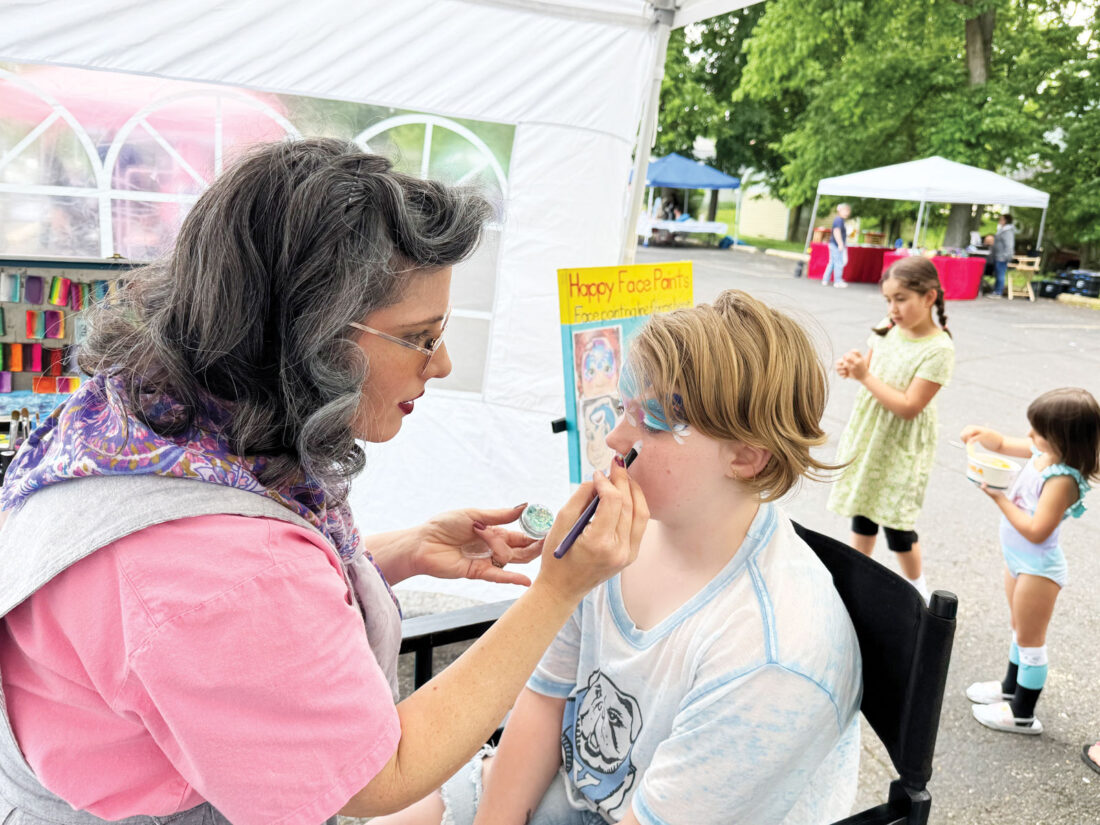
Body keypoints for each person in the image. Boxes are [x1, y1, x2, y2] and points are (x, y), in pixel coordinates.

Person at [0, 139, 648, 825]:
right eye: (422, 335)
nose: (444, 362)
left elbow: (213, 632)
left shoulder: (140, 418)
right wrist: (557, 591)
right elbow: (374, 775)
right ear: (311, 334)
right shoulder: (226, 573)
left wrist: (398, 552)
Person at [375, 290, 863, 825]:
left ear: (746, 456)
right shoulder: (620, 542)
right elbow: (545, 697)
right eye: (621, 408)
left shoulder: (771, 659)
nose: (615, 436)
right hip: (569, 790)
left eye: (651, 421)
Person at [960, 388, 1099, 734]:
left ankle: (1022, 713)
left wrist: (998, 497)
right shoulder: (1044, 452)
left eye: (1038, 431)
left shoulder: (1063, 478)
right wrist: (984, 436)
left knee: (1031, 641)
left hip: (1038, 568)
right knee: (1019, 628)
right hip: (1018, 560)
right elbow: (1006, 445)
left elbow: (1036, 530)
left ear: (1062, 438)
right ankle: (1010, 687)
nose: (1030, 436)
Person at [827, 257, 955, 602]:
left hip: (900, 446)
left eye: (901, 299)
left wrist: (864, 377)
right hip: (871, 436)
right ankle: (854, 585)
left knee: (898, 526)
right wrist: (853, 366)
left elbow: (910, 407)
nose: (892, 308)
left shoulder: (939, 349)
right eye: (888, 300)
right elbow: (870, 365)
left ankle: (919, 591)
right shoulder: (888, 326)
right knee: (863, 512)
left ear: (929, 297)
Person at [822, 203, 852, 288]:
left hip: (833, 244)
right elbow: (836, 231)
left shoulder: (839, 220)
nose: (847, 213)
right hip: (836, 244)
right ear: (840, 211)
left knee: (832, 262)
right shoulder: (839, 220)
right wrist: (840, 243)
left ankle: (825, 279)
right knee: (838, 262)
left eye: (848, 211)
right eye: (846, 210)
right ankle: (837, 281)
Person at [990, 213, 1016, 296]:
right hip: (998, 255)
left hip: (1002, 257)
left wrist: (1006, 256)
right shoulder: (1002, 230)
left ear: (1005, 221)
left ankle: (998, 292)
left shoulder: (1007, 232)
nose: (999, 221)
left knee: (1000, 274)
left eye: (1001, 219)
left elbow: (1009, 245)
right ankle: (996, 290)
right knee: (998, 274)